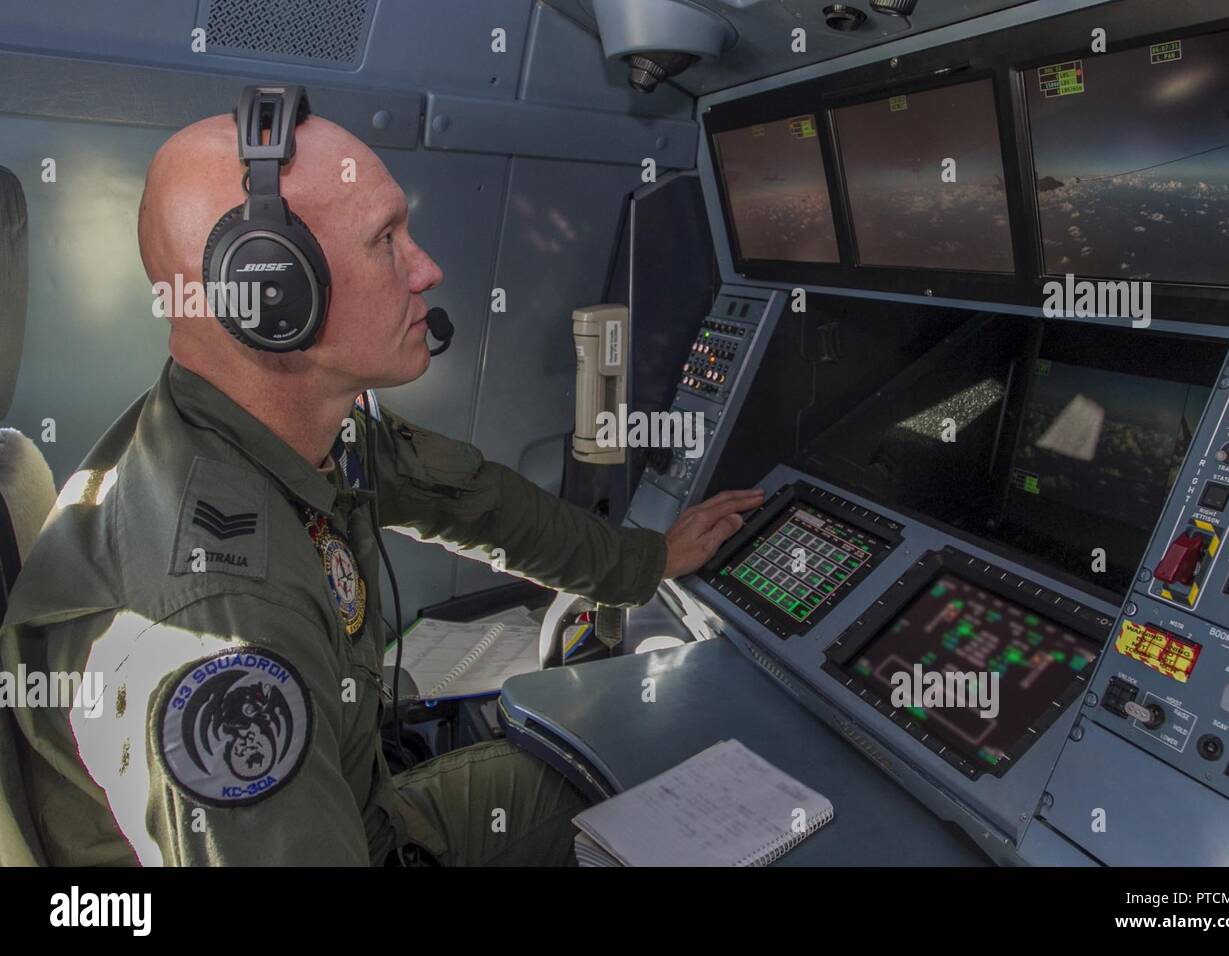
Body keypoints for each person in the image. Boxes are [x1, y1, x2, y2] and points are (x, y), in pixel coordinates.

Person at [0, 101, 763, 866]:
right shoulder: (220, 639)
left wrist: (646, 562)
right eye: (386, 239)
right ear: (274, 297)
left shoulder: (289, 428)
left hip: (369, 813)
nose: (425, 268)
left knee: (633, 765)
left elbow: (478, 502)